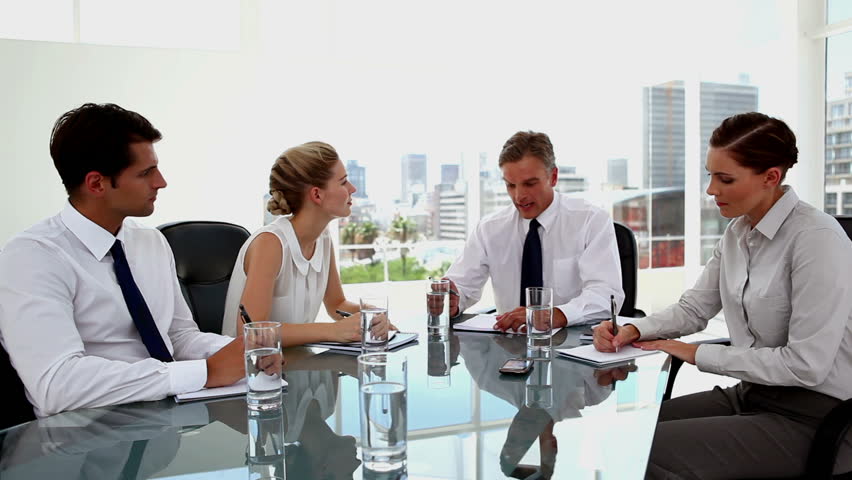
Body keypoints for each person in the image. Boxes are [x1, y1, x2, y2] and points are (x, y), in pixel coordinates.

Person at [593, 112, 852, 478]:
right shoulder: (737, 233)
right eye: (710, 175)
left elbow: (806, 365)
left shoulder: (816, 239)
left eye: (725, 179)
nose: (711, 189)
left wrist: (699, 353)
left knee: (643, 452)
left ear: (771, 177)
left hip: (817, 416)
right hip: (755, 395)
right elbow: (694, 308)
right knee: (620, 432)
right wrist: (635, 330)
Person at [0, 103, 245, 419]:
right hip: (83, 439)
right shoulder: (33, 257)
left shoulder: (149, 241)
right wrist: (204, 373)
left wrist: (240, 352)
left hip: (164, 429)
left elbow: (177, 337)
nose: (161, 182)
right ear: (97, 184)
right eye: (145, 173)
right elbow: (55, 385)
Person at [445, 130, 623, 331]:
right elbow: (461, 286)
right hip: (509, 346)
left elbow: (606, 295)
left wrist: (555, 315)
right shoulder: (489, 229)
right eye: (510, 185)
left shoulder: (591, 221)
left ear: (553, 177)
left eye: (530, 184)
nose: (519, 196)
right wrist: (452, 301)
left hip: (574, 346)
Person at [222, 141, 389, 345]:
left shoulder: (324, 239)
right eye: (343, 182)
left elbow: (337, 304)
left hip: (294, 364)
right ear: (317, 194)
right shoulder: (270, 243)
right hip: (249, 371)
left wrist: (370, 314)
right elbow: (252, 331)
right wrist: (332, 331)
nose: (352, 189)